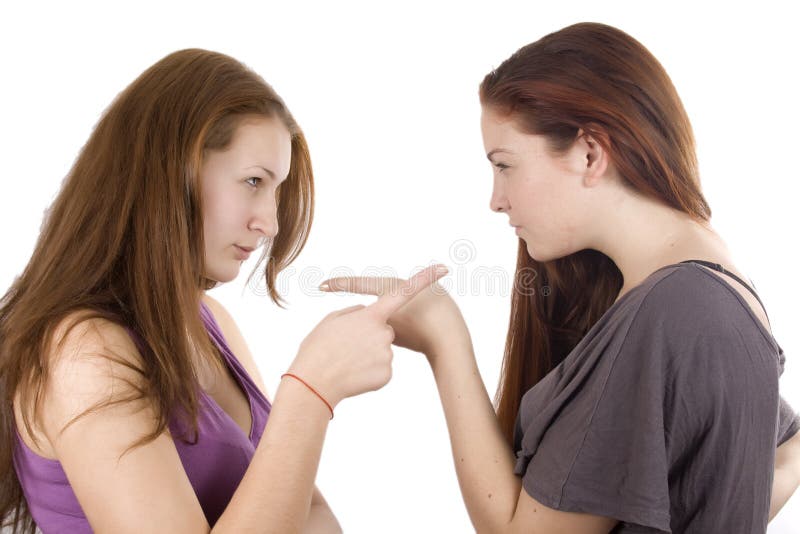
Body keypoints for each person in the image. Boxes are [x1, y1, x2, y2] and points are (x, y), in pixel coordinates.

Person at [321, 22, 800, 532]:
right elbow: (786, 454)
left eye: (504, 165)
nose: (495, 198)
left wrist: (444, 337)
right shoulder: (718, 289)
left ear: (590, 154)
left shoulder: (667, 311)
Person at [0, 48, 447, 533]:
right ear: (169, 174)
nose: (271, 223)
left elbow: (313, 516)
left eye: (275, 189)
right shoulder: (86, 353)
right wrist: (311, 390)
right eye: (253, 181)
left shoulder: (208, 321)